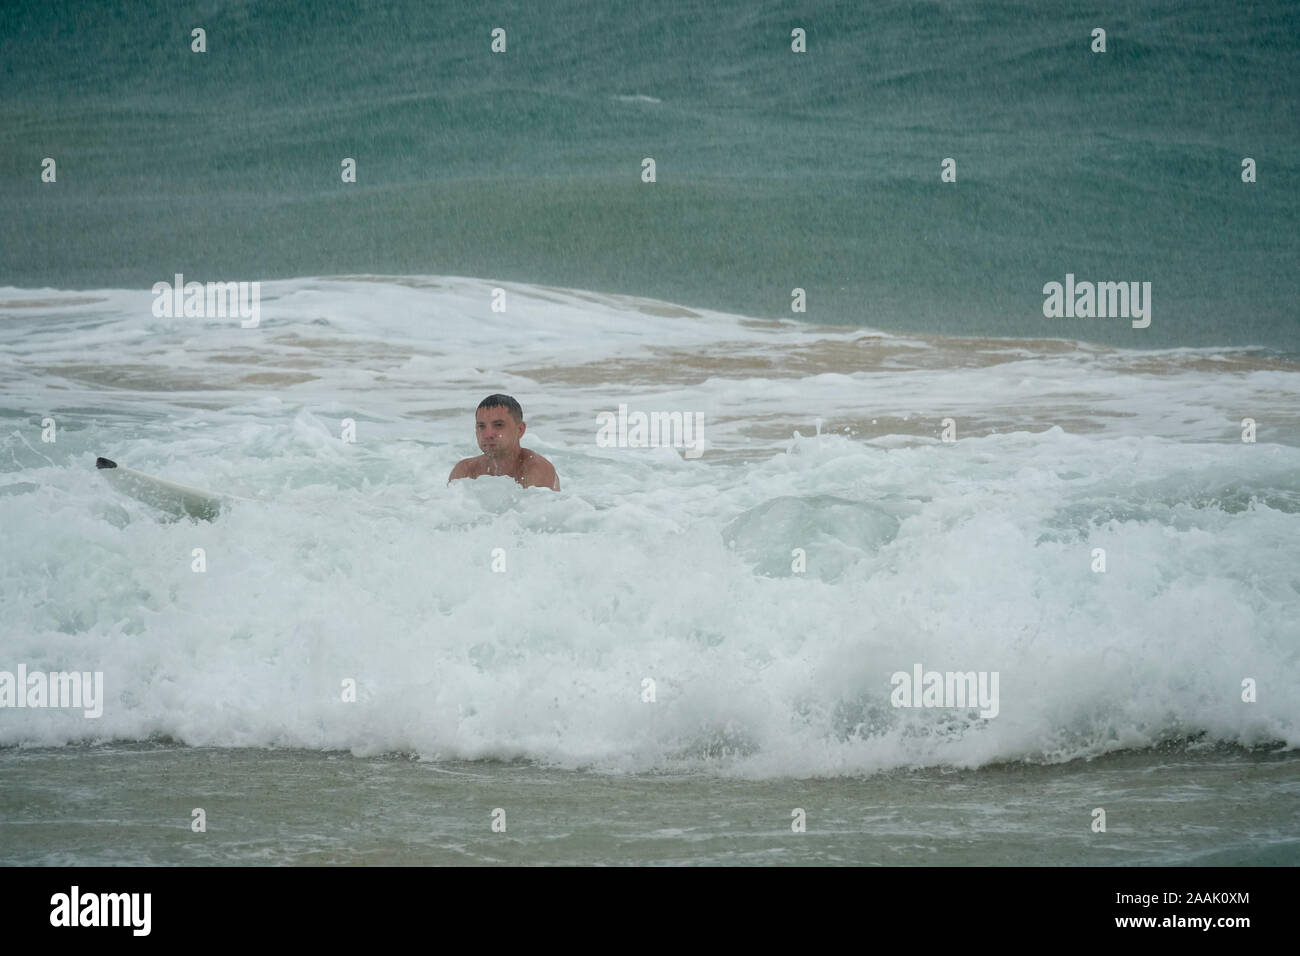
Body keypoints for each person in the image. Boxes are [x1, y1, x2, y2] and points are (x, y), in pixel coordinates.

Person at [448, 394, 560, 490]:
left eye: (498, 425)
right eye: (481, 426)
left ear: (520, 430)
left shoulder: (536, 469)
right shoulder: (465, 471)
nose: (488, 434)